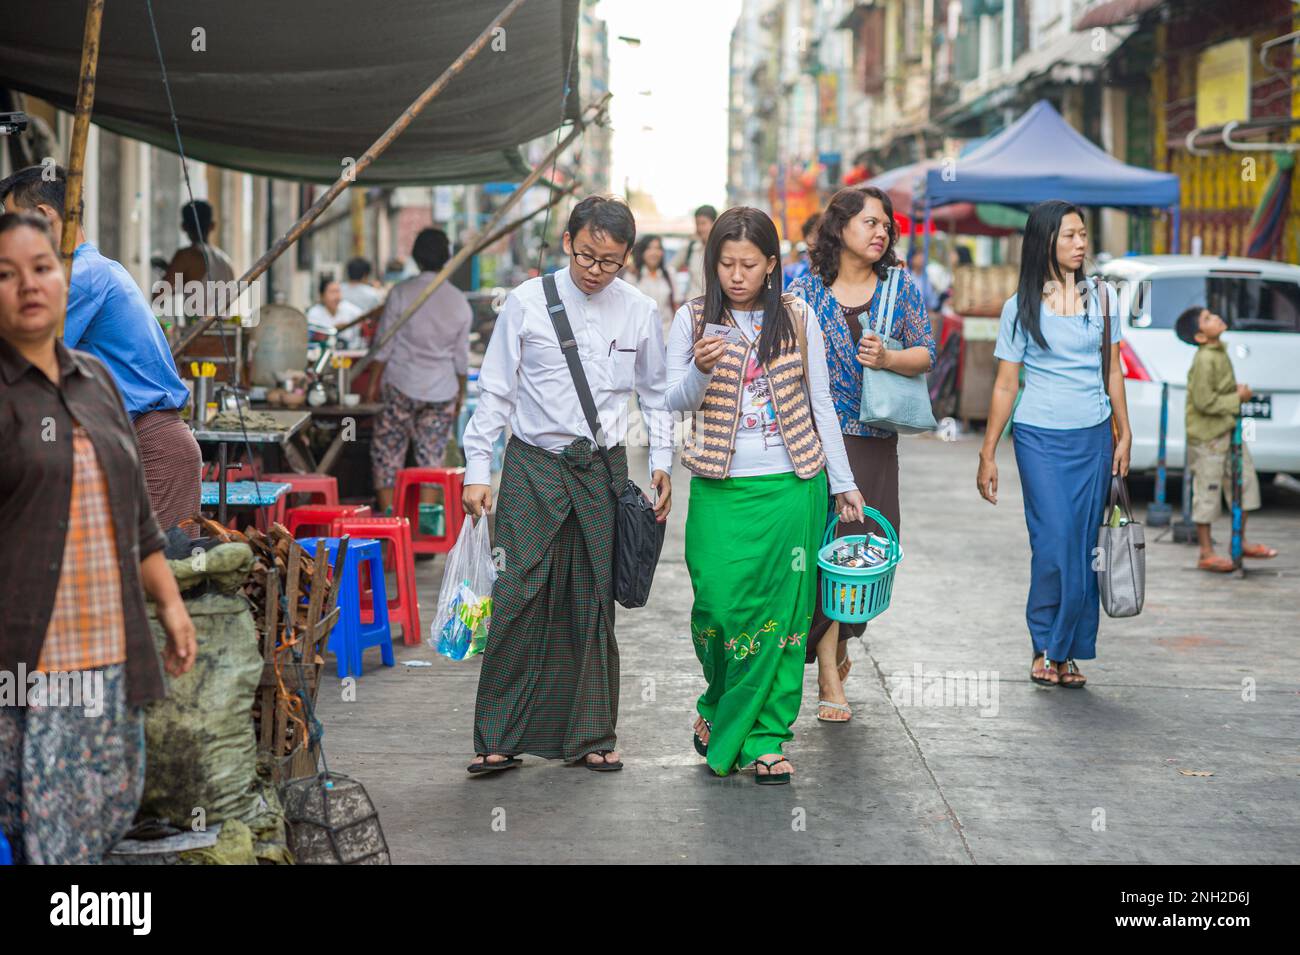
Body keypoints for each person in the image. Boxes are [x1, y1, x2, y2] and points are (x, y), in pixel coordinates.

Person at [0, 212, 197, 864]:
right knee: (49, 840)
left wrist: (170, 607)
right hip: (30, 667)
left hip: (111, 657)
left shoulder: (98, 382)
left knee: (101, 818)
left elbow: (136, 516)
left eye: (43, 267)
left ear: (66, 277)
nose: (29, 285)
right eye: (6, 274)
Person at [461, 195, 673, 774]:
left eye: (610, 262)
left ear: (627, 257)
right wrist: (478, 471)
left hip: (601, 471)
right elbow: (496, 392)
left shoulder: (638, 310)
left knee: (591, 602)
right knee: (517, 597)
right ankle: (498, 737)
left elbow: (655, 394)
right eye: (586, 257)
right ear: (566, 242)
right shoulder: (526, 304)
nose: (595, 271)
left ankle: (592, 735)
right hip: (533, 467)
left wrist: (661, 460)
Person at [667, 206, 864, 784]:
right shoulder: (694, 318)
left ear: (771, 265)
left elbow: (822, 403)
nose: (736, 274)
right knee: (719, 610)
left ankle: (768, 737)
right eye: (725, 263)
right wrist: (701, 371)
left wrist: (843, 482)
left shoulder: (799, 317)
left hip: (792, 486)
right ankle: (718, 705)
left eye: (749, 264)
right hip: (720, 488)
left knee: (784, 619)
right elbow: (672, 400)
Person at [788, 187, 936, 722]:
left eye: (886, 225)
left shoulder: (900, 286)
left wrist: (890, 357)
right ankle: (828, 672)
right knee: (828, 551)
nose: (881, 233)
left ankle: (842, 639)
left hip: (874, 442)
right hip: (816, 444)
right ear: (840, 227)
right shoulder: (803, 291)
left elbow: (927, 354)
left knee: (867, 554)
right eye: (870, 222)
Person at [976, 199, 1132, 688]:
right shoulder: (1018, 308)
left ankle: (1067, 651)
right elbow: (1005, 384)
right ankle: (1044, 641)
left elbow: (1112, 369)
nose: (1080, 243)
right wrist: (988, 451)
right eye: (1069, 235)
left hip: (1093, 436)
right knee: (1053, 543)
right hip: (1039, 438)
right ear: (1045, 241)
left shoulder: (1104, 299)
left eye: (1083, 234)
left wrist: (1123, 430)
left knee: (1085, 547)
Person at [0, 165, 201, 533]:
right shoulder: (96, 268)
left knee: (160, 575)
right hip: (131, 442)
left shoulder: (80, 275)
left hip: (152, 445)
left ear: (44, 217)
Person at [366, 229, 472, 515]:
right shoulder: (459, 302)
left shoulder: (401, 293)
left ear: (416, 256)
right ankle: (426, 530)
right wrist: (460, 393)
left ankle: (391, 522)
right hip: (441, 391)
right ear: (447, 257)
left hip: (400, 385)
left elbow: (383, 345)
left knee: (388, 453)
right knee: (431, 458)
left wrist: (372, 384)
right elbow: (461, 360)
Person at [1174, 306, 1278, 570]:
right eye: (1208, 319)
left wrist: (1234, 391)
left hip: (1228, 430)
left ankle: (1239, 540)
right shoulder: (1204, 359)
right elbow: (1203, 401)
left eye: (1213, 315)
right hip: (1207, 438)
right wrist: (1238, 398)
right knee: (1207, 492)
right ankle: (1206, 552)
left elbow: (1216, 391)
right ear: (1199, 336)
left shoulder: (1219, 352)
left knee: (1244, 484)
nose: (1217, 318)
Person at [163, 199, 236, 286]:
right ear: (212, 226)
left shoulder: (185, 257)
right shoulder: (226, 263)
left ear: (183, 227)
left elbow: (159, 294)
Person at [627, 234, 675, 334]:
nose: (654, 253)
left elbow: (676, 304)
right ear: (642, 251)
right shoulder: (632, 276)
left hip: (666, 335)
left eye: (657, 248)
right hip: (640, 334)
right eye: (649, 248)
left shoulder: (669, 274)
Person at [306, 274, 364, 349]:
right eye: (332, 292)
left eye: (338, 291)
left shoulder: (349, 309)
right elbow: (312, 339)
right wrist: (334, 329)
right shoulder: (314, 314)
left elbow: (363, 318)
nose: (337, 296)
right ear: (322, 296)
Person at [673, 204, 717, 301]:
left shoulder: (722, 251)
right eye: (697, 224)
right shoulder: (690, 248)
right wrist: (677, 296)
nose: (700, 228)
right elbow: (670, 269)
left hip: (715, 307)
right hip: (692, 308)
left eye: (703, 223)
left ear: (714, 224)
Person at [782, 212, 820, 286]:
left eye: (819, 233)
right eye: (812, 233)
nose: (816, 238)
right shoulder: (793, 272)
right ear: (805, 238)